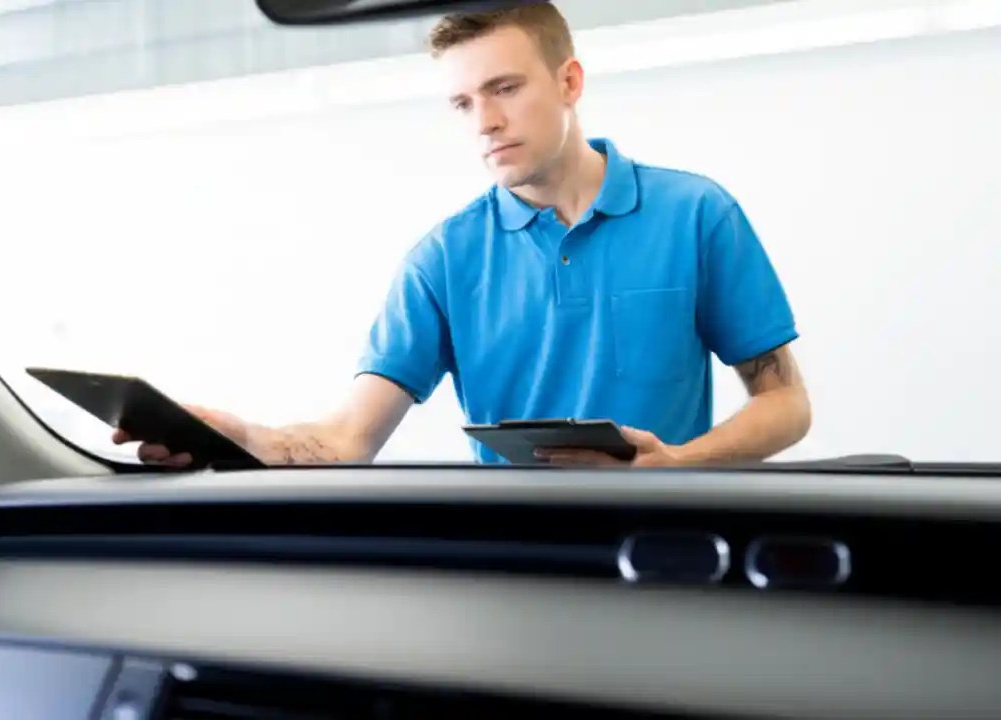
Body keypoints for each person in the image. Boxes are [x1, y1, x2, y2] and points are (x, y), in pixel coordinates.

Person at [115, 4, 811, 468]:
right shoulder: (443, 261)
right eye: (462, 102)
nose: (483, 121)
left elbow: (785, 403)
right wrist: (241, 438)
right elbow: (348, 439)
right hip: (511, 565)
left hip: (666, 555)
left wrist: (675, 467)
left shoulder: (696, 214)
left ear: (569, 81)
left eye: (504, 88)